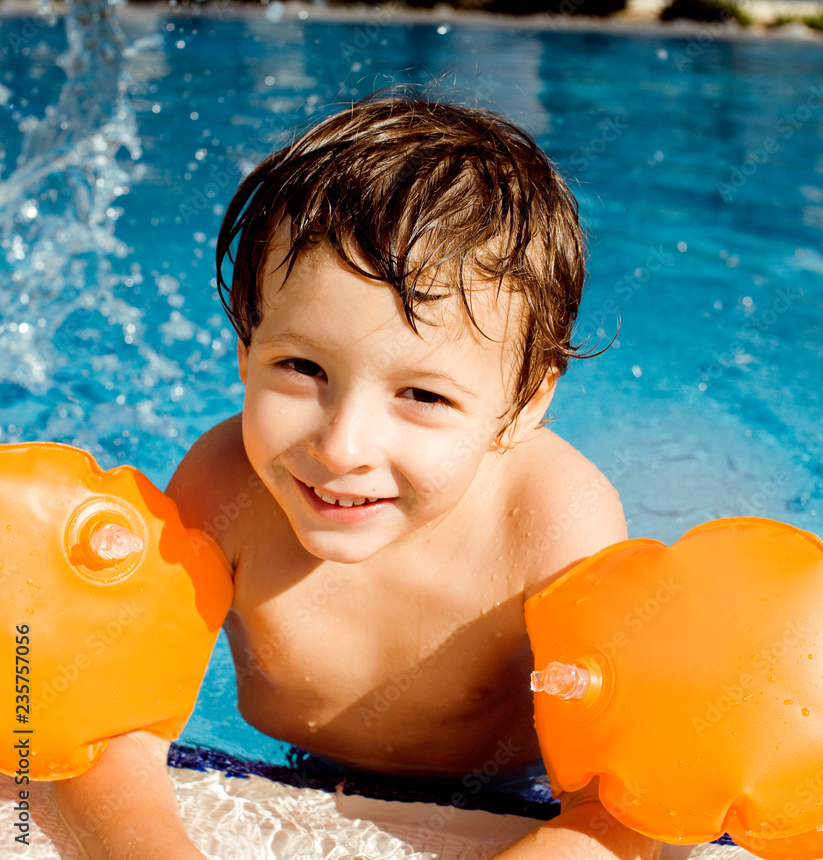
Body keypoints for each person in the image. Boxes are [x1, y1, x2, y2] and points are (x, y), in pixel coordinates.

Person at [54, 92, 682, 860]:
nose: (341, 446)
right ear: (246, 348)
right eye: (302, 367)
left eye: (422, 396)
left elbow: (620, 804)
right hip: (291, 771)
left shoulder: (551, 524)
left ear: (524, 405)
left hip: (503, 796)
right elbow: (110, 722)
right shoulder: (225, 489)